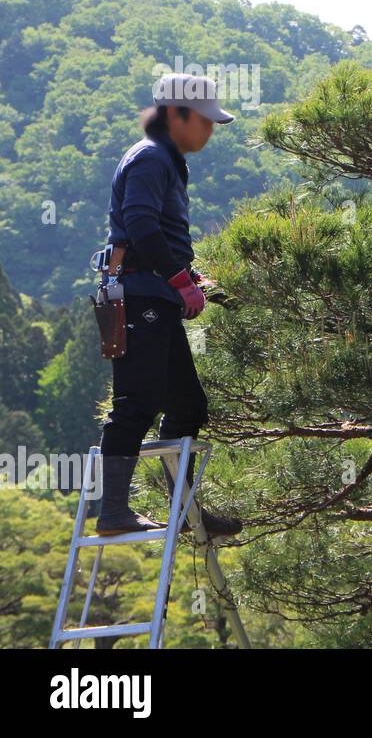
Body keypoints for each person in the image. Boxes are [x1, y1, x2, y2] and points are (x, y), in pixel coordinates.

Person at [94, 72, 242, 538]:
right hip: (142, 299)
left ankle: (185, 510)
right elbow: (139, 224)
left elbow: (153, 234)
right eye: (204, 120)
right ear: (176, 115)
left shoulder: (165, 159)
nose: (210, 129)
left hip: (152, 296)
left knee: (188, 405)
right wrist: (181, 281)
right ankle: (114, 512)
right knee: (135, 405)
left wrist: (194, 280)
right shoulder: (152, 158)